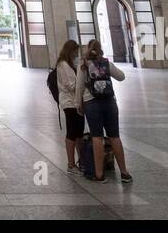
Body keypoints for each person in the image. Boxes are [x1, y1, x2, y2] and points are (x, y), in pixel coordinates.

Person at [76, 38, 132, 183]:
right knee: (114, 136)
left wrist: (78, 105)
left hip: (92, 103)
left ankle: (99, 174)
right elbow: (122, 77)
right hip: (109, 102)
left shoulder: (83, 65)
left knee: (97, 137)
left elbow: (79, 87)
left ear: (88, 49)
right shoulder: (107, 63)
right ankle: (125, 173)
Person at [55, 40, 84, 173]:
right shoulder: (63, 65)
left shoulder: (71, 64)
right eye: (75, 52)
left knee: (79, 132)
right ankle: (71, 164)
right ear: (70, 51)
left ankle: (82, 160)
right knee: (72, 132)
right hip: (69, 103)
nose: (77, 54)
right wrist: (83, 82)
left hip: (76, 102)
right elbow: (71, 85)